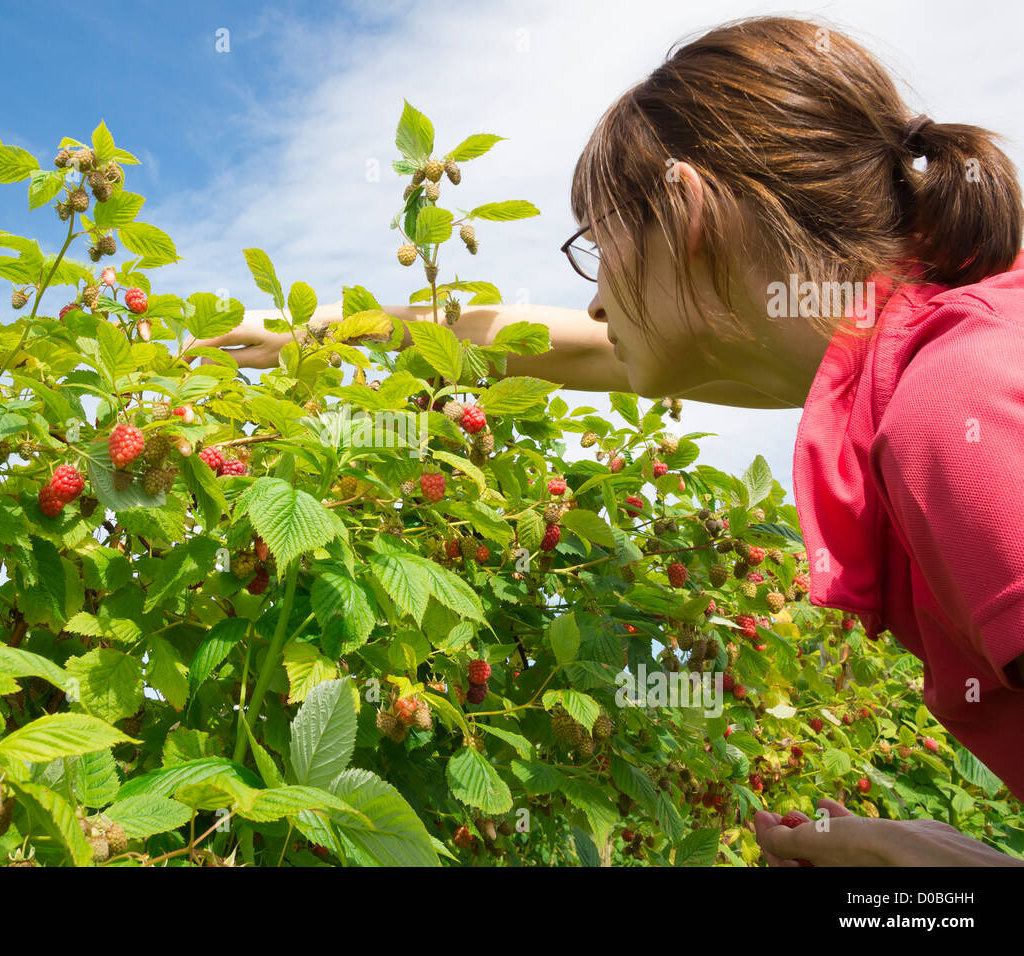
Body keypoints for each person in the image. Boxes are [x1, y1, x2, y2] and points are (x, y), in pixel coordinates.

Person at [188, 16, 1024, 865]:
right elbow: (566, 348)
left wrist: (936, 875)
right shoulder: (890, 351)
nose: (592, 302)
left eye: (597, 247)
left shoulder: (958, 412)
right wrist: (321, 332)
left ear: (689, 209)